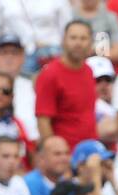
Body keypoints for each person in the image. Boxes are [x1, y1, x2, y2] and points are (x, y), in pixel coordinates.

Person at [34, 20, 97, 148]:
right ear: (63, 40)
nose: (78, 43)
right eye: (73, 38)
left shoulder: (89, 70)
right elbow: (43, 121)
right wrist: (56, 154)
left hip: (90, 147)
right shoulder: (50, 74)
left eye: (83, 38)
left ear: (91, 42)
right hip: (65, 152)